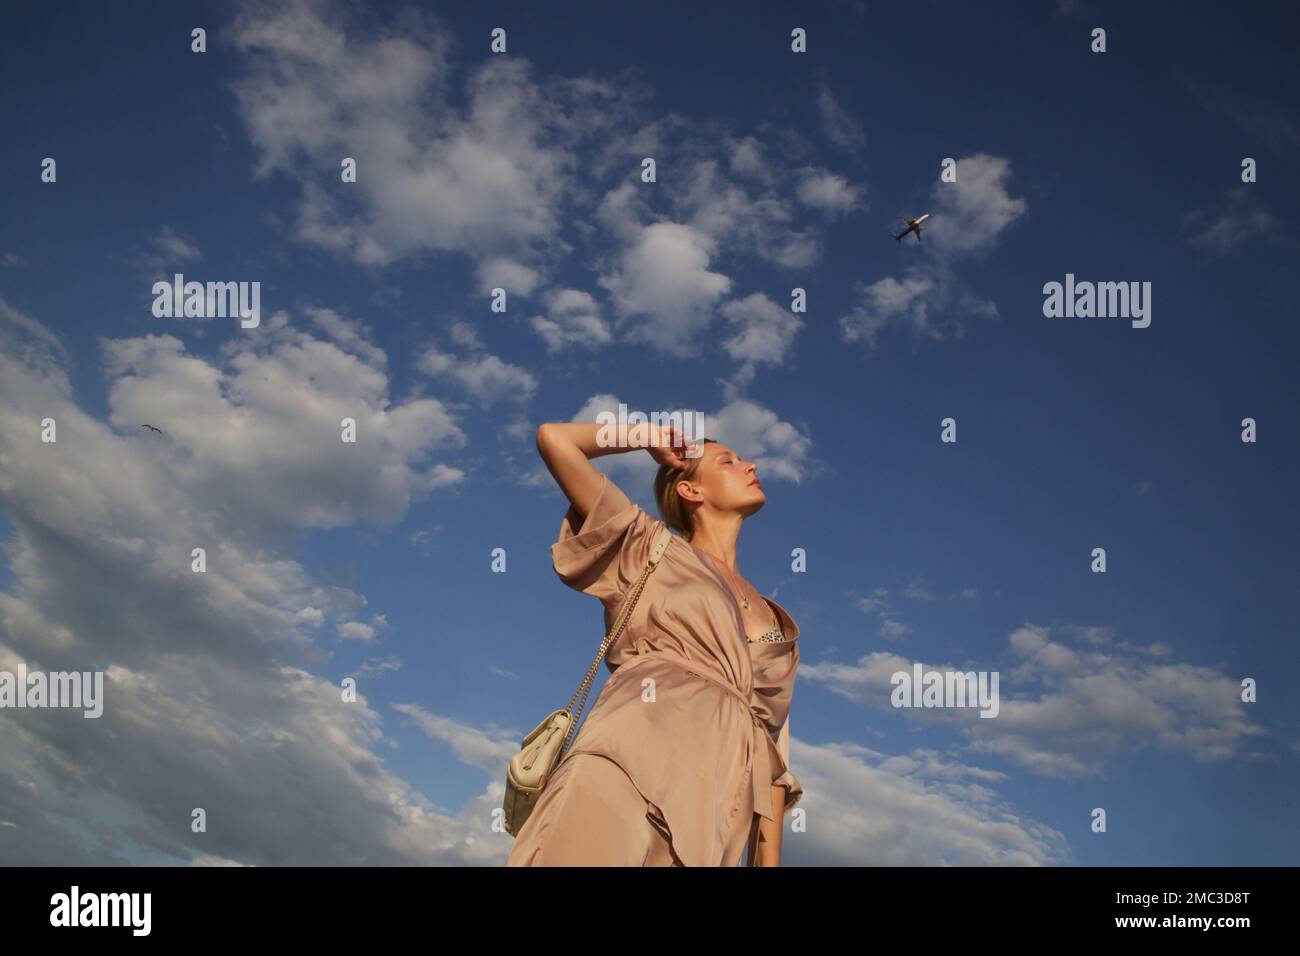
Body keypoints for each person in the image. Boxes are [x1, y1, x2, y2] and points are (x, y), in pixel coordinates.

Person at [506, 420, 802, 867]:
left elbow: (774, 756)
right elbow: (555, 439)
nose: (750, 464)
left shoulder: (774, 620)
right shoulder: (647, 543)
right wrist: (642, 436)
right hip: (625, 755)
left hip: (717, 805)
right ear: (690, 491)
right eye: (729, 461)